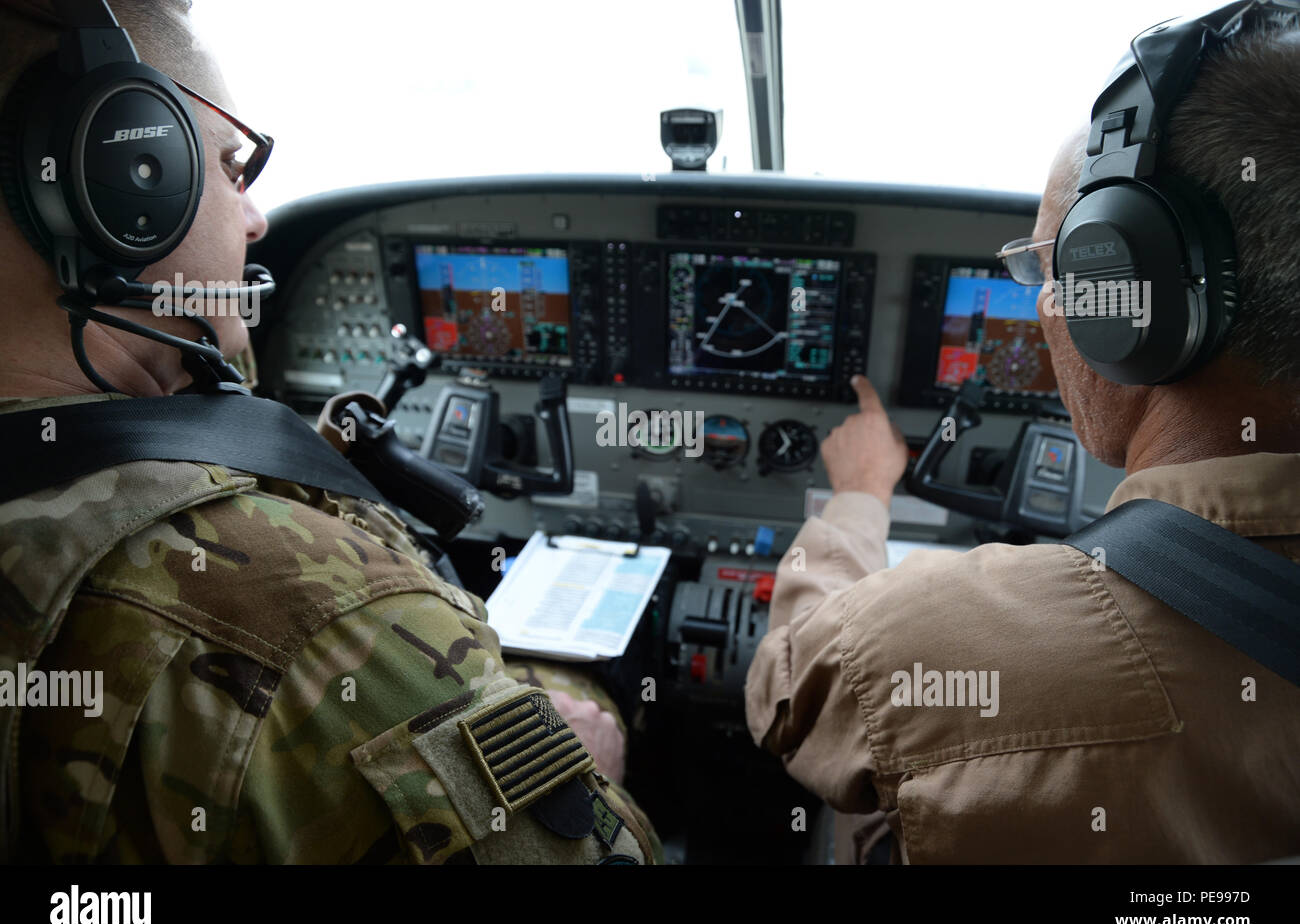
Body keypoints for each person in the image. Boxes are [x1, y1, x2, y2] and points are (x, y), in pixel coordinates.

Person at [0, 0, 653, 864]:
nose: (258, 219)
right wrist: (582, 740)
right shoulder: (317, 627)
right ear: (123, 179)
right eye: (234, 167)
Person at [745, 9, 1300, 863]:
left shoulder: (945, 639)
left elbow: (787, 685)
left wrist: (858, 498)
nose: (1045, 304)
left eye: (1057, 267)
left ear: (1134, 291)